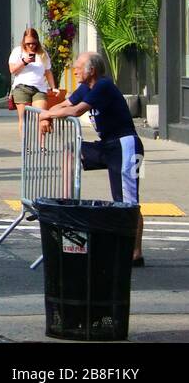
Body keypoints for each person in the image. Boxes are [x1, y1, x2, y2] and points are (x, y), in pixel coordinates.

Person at [40, 52, 145, 266]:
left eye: (79, 66)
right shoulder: (87, 87)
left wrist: (47, 115)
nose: (75, 70)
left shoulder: (103, 86)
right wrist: (46, 115)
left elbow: (77, 111)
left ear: (92, 70)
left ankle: (135, 253)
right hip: (107, 146)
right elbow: (65, 104)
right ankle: (67, 209)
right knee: (73, 149)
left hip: (126, 147)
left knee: (128, 203)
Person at [8, 27, 56, 137]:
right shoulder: (17, 51)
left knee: (41, 117)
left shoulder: (43, 53)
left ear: (37, 41)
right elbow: (12, 70)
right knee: (23, 118)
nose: (31, 46)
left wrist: (53, 87)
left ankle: (42, 147)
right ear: (23, 41)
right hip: (21, 88)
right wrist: (24, 62)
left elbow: (48, 72)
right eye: (28, 43)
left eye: (33, 43)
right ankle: (26, 148)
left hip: (39, 89)